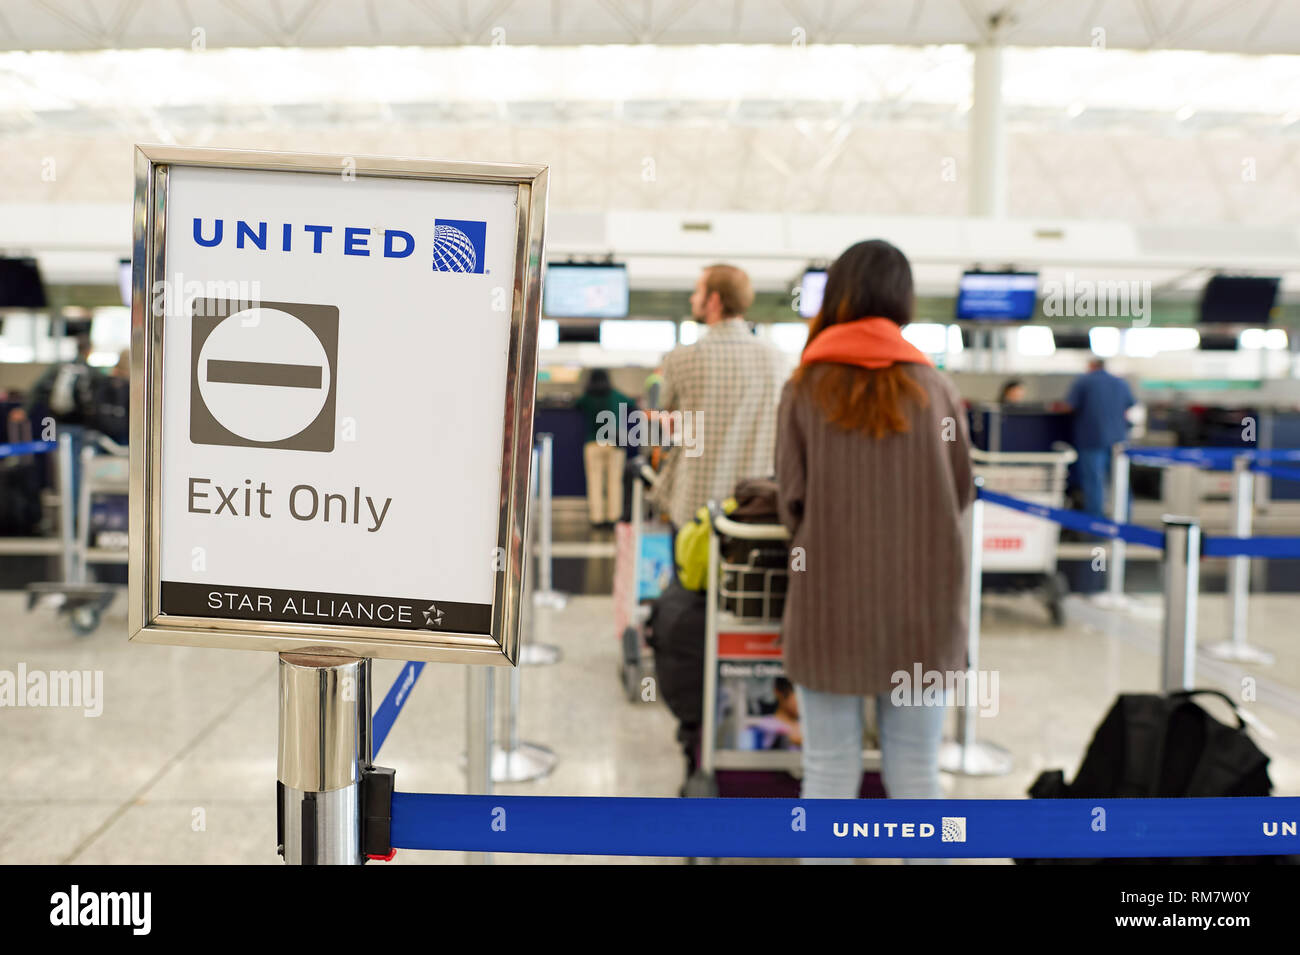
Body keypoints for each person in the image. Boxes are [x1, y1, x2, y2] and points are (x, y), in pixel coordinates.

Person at [774, 239, 973, 861]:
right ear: (902, 299)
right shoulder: (936, 388)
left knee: (828, 777)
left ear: (838, 294)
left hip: (830, 608)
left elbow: (791, 502)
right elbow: (962, 493)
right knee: (917, 778)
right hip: (924, 610)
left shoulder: (805, 385)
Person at [654, 264, 786, 530]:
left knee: (689, 571)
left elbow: (669, 422)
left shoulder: (682, 357)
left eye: (697, 291)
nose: (693, 298)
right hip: (751, 507)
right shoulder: (777, 359)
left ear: (714, 300)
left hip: (693, 505)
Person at [1061, 356, 1135, 518]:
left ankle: (1095, 524)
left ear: (1091, 366)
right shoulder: (1120, 383)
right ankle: (1125, 519)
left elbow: (1069, 406)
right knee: (1120, 481)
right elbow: (1130, 404)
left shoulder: (1084, 382)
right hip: (1118, 439)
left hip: (1091, 439)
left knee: (1094, 483)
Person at [574, 368, 633, 527]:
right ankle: (614, 517)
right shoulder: (616, 395)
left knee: (594, 481)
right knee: (614, 481)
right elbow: (632, 404)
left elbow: (576, 404)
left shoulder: (587, 397)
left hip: (593, 444)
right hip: (614, 444)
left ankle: (597, 518)